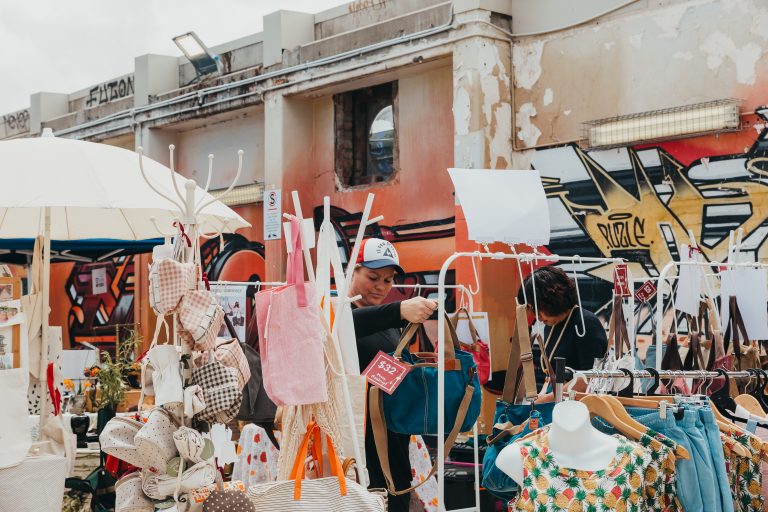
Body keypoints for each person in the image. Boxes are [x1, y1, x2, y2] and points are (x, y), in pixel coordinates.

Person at [349, 237, 436, 512]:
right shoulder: (336, 314)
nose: (381, 286)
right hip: (356, 448)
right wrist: (398, 310)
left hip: (393, 445)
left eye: (388, 280)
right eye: (373, 277)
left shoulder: (391, 327)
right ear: (353, 270)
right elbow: (347, 323)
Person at [518, 266, 607, 392]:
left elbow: (590, 379)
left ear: (550, 299)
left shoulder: (586, 323)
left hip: (578, 403)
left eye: (537, 309)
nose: (536, 316)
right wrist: (541, 398)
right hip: (557, 398)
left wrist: (545, 399)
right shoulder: (551, 324)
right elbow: (551, 377)